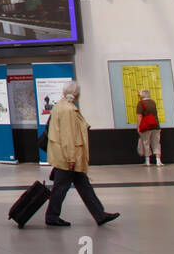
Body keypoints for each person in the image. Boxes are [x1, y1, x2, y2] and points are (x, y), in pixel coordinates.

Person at [45, 81, 119, 227]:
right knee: (61, 187)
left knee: (82, 185)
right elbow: (68, 135)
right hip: (68, 157)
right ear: (77, 93)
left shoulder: (60, 106)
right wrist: (71, 158)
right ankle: (52, 216)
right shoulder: (68, 110)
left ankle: (100, 215)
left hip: (64, 155)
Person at [135, 88, 161, 166]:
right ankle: (158, 161)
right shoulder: (153, 102)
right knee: (156, 142)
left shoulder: (140, 103)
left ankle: (147, 161)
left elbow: (139, 116)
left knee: (146, 143)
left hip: (146, 126)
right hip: (155, 125)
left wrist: (139, 127)